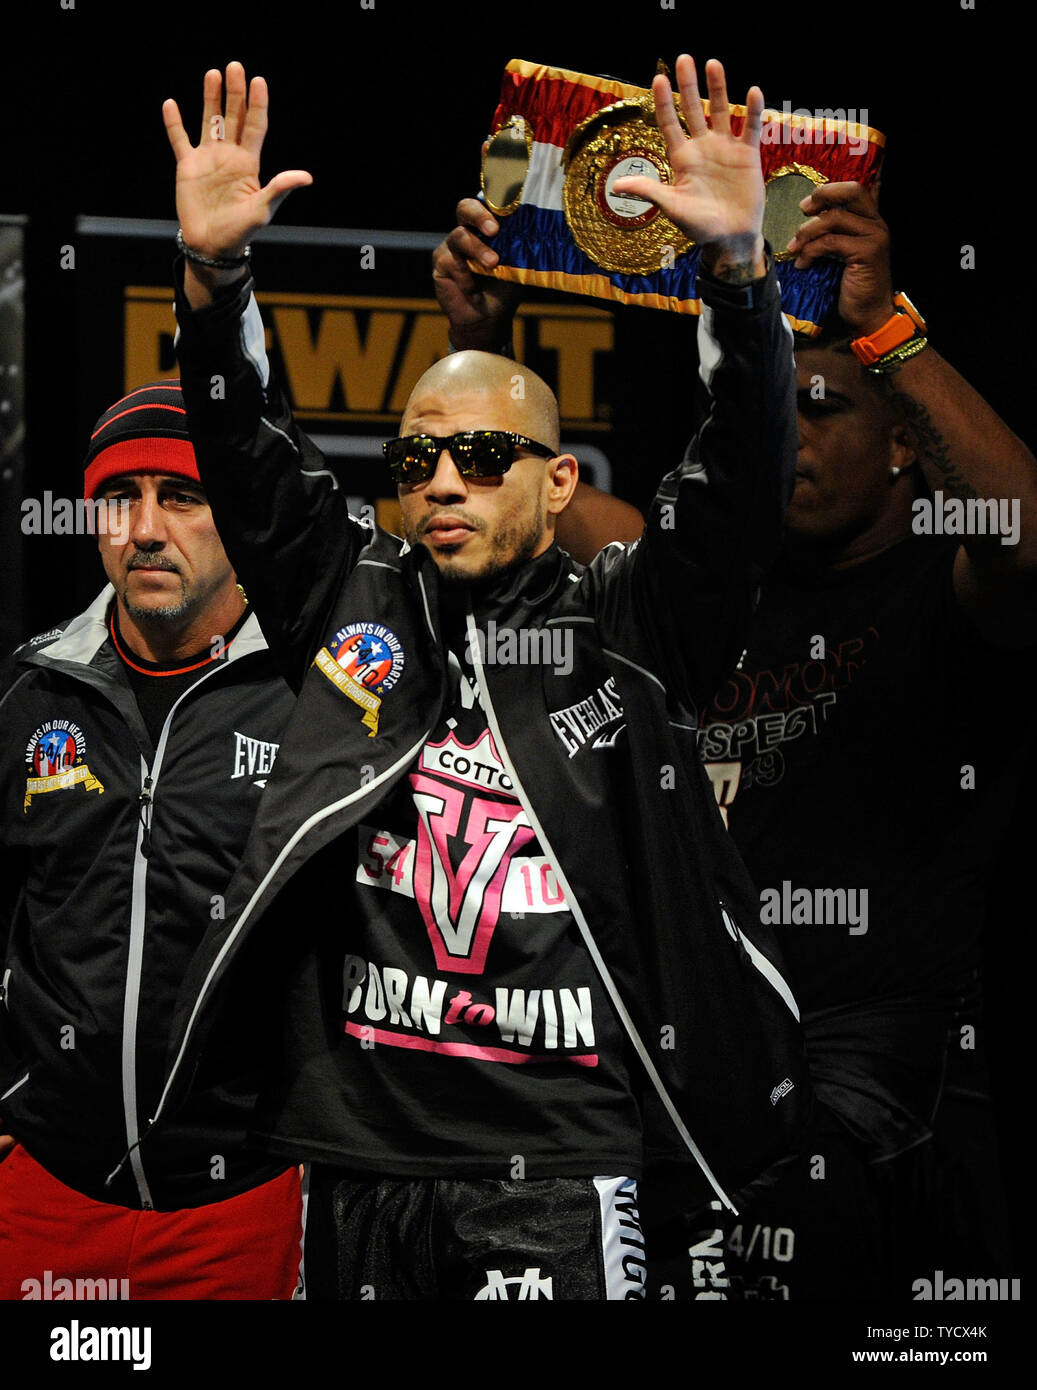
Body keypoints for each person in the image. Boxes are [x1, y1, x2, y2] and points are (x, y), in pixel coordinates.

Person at [153, 56, 809, 1301]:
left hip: (560, 1166)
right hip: (353, 1156)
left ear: (558, 482)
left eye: (482, 454)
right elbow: (243, 451)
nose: (441, 480)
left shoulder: (626, 626)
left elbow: (740, 481)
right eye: (416, 459)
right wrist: (215, 279)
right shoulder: (352, 604)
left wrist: (736, 279)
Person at [441, 174, 1037, 1299]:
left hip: (882, 1101)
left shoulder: (942, 581)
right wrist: (488, 346)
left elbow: (1026, 541)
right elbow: (528, 518)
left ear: (904, 446)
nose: (791, 434)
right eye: (777, 408)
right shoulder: (695, 585)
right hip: (690, 1071)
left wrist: (885, 331)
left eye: (823, 410)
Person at [0, 381, 304, 1300]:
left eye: (182, 497)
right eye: (117, 499)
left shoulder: (314, 695)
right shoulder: (34, 692)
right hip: (44, 1187)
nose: (142, 529)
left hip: (242, 1195)